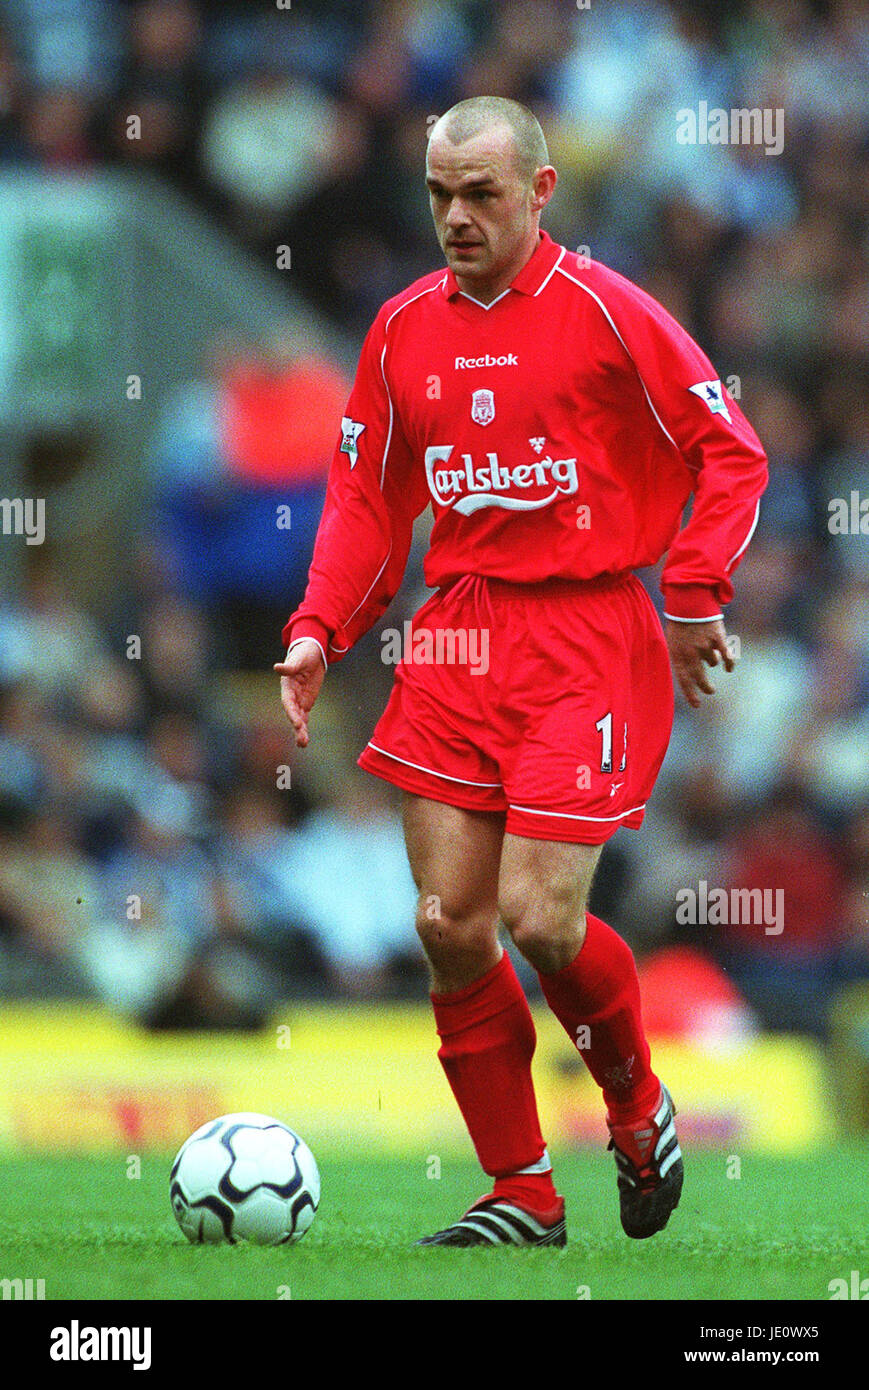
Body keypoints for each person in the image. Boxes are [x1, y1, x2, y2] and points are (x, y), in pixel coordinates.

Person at [275, 96, 768, 1247]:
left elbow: (728, 452)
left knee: (540, 919)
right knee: (451, 920)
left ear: (539, 193)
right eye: (439, 194)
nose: (455, 216)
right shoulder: (401, 326)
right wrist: (317, 627)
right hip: (456, 634)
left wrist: (692, 596)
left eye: (480, 194)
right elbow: (363, 498)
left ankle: (636, 1107)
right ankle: (522, 1192)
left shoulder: (610, 312)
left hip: (589, 633)